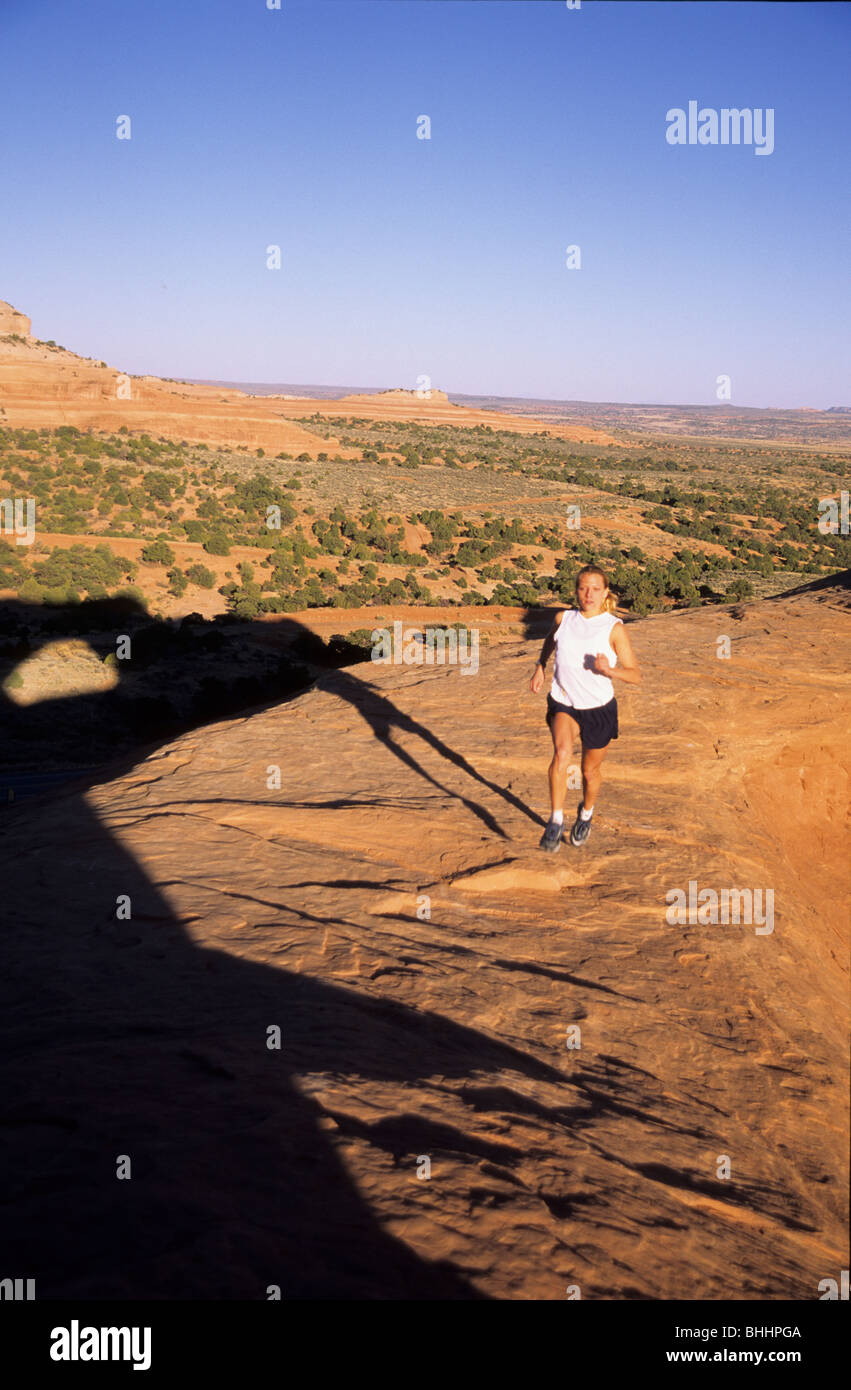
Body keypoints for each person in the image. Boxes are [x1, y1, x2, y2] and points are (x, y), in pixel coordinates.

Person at [529, 564, 640, 851]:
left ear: (605, 593)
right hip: (564, 701)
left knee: (589, 772)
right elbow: (549, 641)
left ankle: (586, 813)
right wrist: (541, 666)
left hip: (598, 709)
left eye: (595, 589)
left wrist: (609, 671)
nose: (588, 594)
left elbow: (635, 674)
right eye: (583, 588)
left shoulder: (613, 628)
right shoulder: (563, 618)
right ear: (576, 590)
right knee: (561, 753)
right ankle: (554, 820)